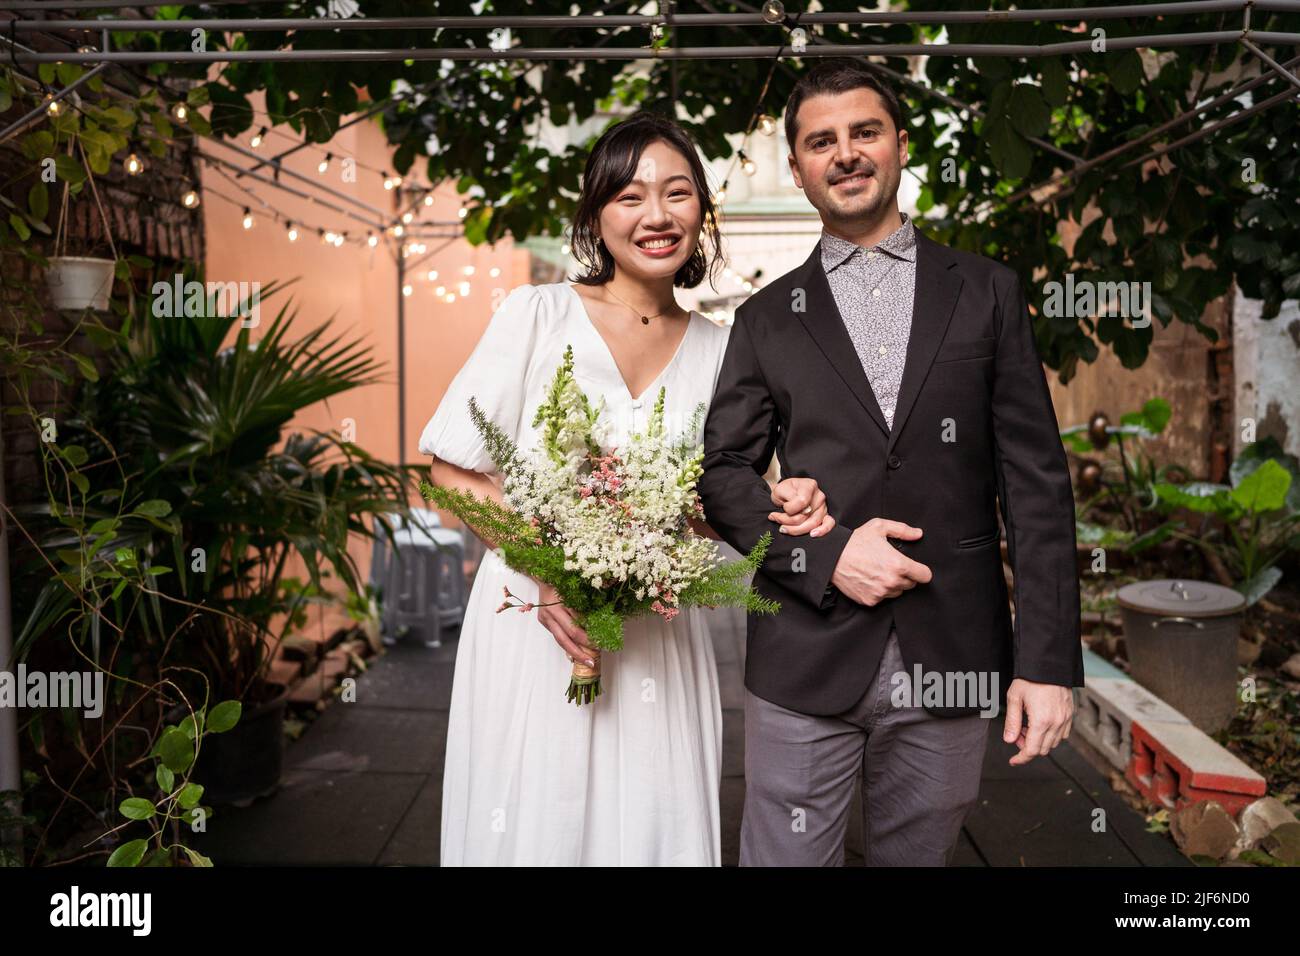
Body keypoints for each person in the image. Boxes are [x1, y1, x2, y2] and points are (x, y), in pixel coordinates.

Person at [697, 59, 1085, 867]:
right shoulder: (766, 318)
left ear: (901, 145)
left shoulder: (987, 292)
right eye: (820, 141)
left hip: (953, 653)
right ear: (800, 169)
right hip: (804, 653)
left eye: (864, 132)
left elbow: (1037, 487)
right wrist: (827, 556)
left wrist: (1046, 664)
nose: (844, 153)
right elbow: (725, 475)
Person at [420, 111, 835, 866]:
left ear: (701, 214)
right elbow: (450, 471)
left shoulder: (722, 347)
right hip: (533, 625)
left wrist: (788, 500)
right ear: (596, 212)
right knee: (532, 816)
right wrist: (552, 572)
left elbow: (719, 503)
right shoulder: (536, 315)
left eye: (677, 194)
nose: (656, 215)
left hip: (657, 635)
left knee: (651, 821)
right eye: (630, 195)